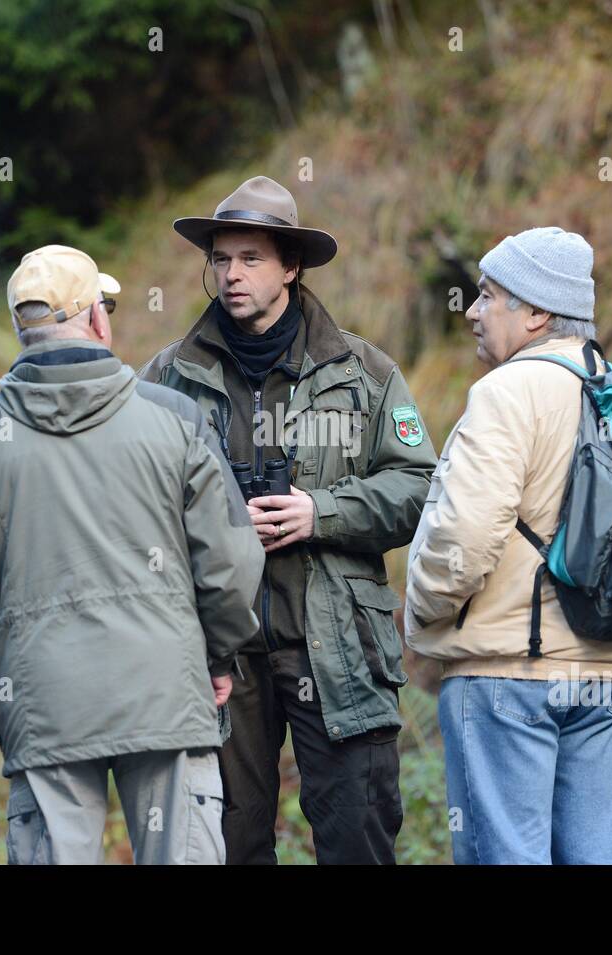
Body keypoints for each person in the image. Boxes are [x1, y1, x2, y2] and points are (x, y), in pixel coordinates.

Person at [0, 244, 263, 865]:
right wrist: (219, 652)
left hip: (43, 703)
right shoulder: (174, 417)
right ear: (97, 318)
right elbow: (230, 558)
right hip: (165, 689)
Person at [140, 176, 436, 864]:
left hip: (334, 645)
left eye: (250, 258)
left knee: (356, 836)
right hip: (218, 653)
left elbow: (421, 484)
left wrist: (321, 512)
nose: (231, 273)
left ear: (291, 267)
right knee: (224, 843)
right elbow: (133, 502)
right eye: (220, 258)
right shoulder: (167, 376)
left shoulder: (363, 370)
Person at [405, 227, 612, 864]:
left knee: (503, 853)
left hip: (508, 670)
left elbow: (468, 535)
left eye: (487, 296)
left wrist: (422, 606)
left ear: (535, 313)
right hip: (599, 670)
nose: (473, 312)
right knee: (593, 852)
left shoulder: (508, 392)